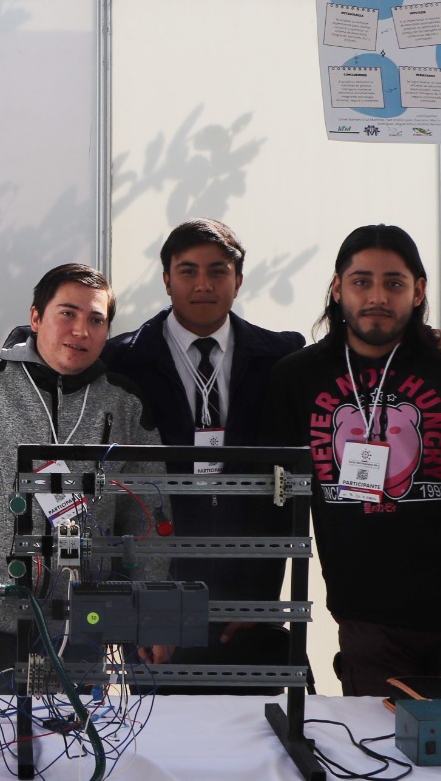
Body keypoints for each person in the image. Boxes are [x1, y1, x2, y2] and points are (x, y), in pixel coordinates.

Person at [259, 224, 441, 696]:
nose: (377, 296)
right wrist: (255, 603)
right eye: (362, 281)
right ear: (337, 286)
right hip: (368, 617)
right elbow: (270, 500)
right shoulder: (295, 379)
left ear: (419, 290)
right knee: (376, 751)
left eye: (394, 283)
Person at [0, 263, 167, 691]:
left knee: (77, 752)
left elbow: (147, 519)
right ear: (36, 318)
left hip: (84, 628)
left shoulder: (125, 404)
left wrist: (153, 613)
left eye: (95, 319)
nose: (80, 330)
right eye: (67, 313)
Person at [101, 219, 303, 685]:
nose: (204, 284)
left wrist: (262, 600)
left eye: (219, 271)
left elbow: (287, 487)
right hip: (159, 584)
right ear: (167, 279)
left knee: (255, 737)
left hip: (251, 587)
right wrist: (142, 598)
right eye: (188, 271)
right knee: (161, 735)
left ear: (239, 280)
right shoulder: (122, 360)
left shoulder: (282, 358)